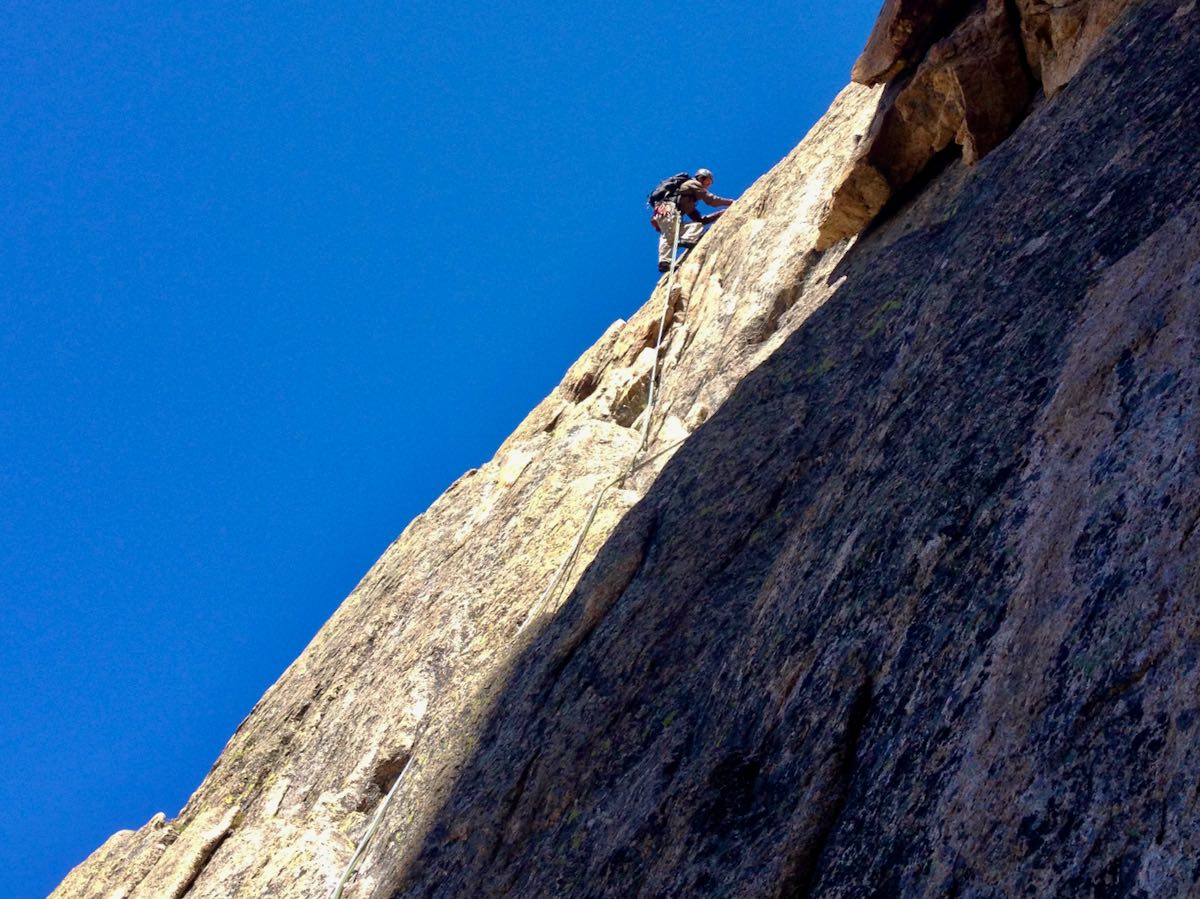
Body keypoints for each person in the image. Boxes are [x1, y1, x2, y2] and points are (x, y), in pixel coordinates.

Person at [652, 169, 735, 273]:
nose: (707, 186)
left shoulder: (687, 199)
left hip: (666, 212)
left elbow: (700, 220)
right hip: (667, 209)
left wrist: (719, 214)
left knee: (696, 226)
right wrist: (730, 202)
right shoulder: (693, 183)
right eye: (707, 182)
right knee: (668, 233)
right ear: (701, 178)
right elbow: (711, 200)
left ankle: (669, 257)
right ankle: (671, 254)